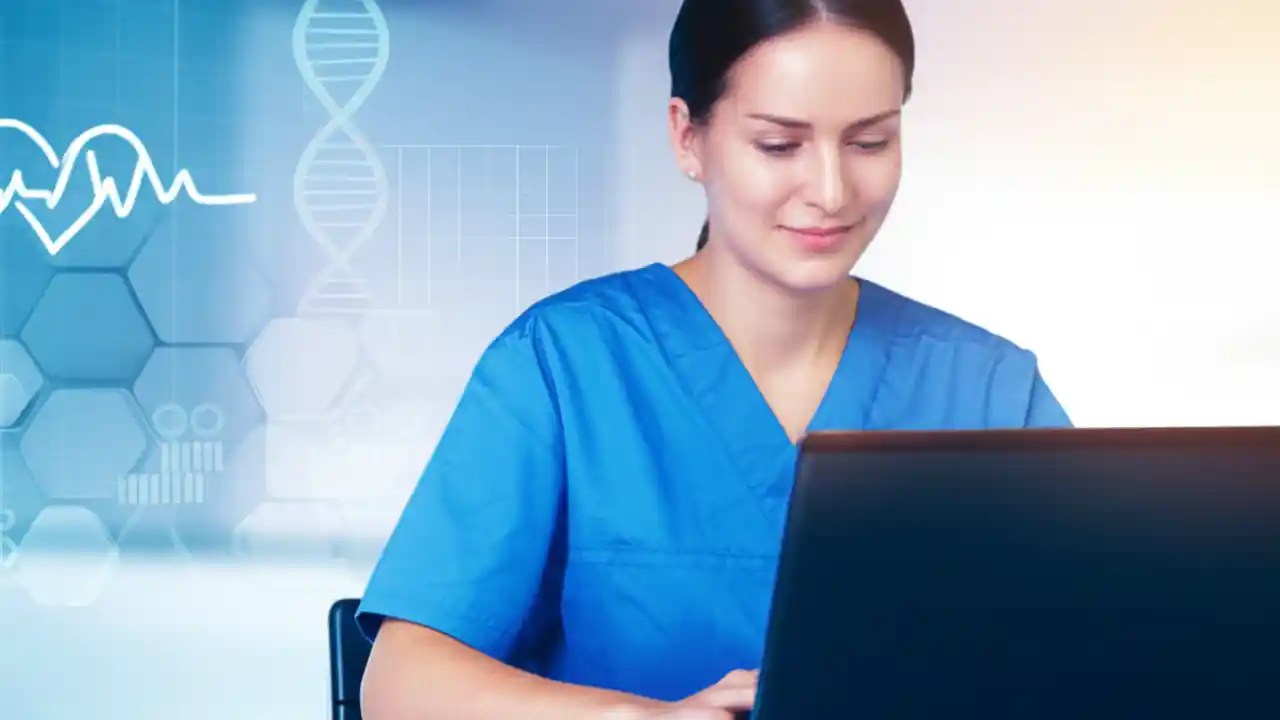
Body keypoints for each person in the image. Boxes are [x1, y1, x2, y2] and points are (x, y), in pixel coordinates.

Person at [357, 0, 1072, 718]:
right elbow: (401, 682)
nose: (830, 191)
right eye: (779, 145)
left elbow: (1097, 649)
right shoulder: (563, 365)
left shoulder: (989, 390)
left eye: (869, 142)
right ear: (687, 136)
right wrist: (643, 718)